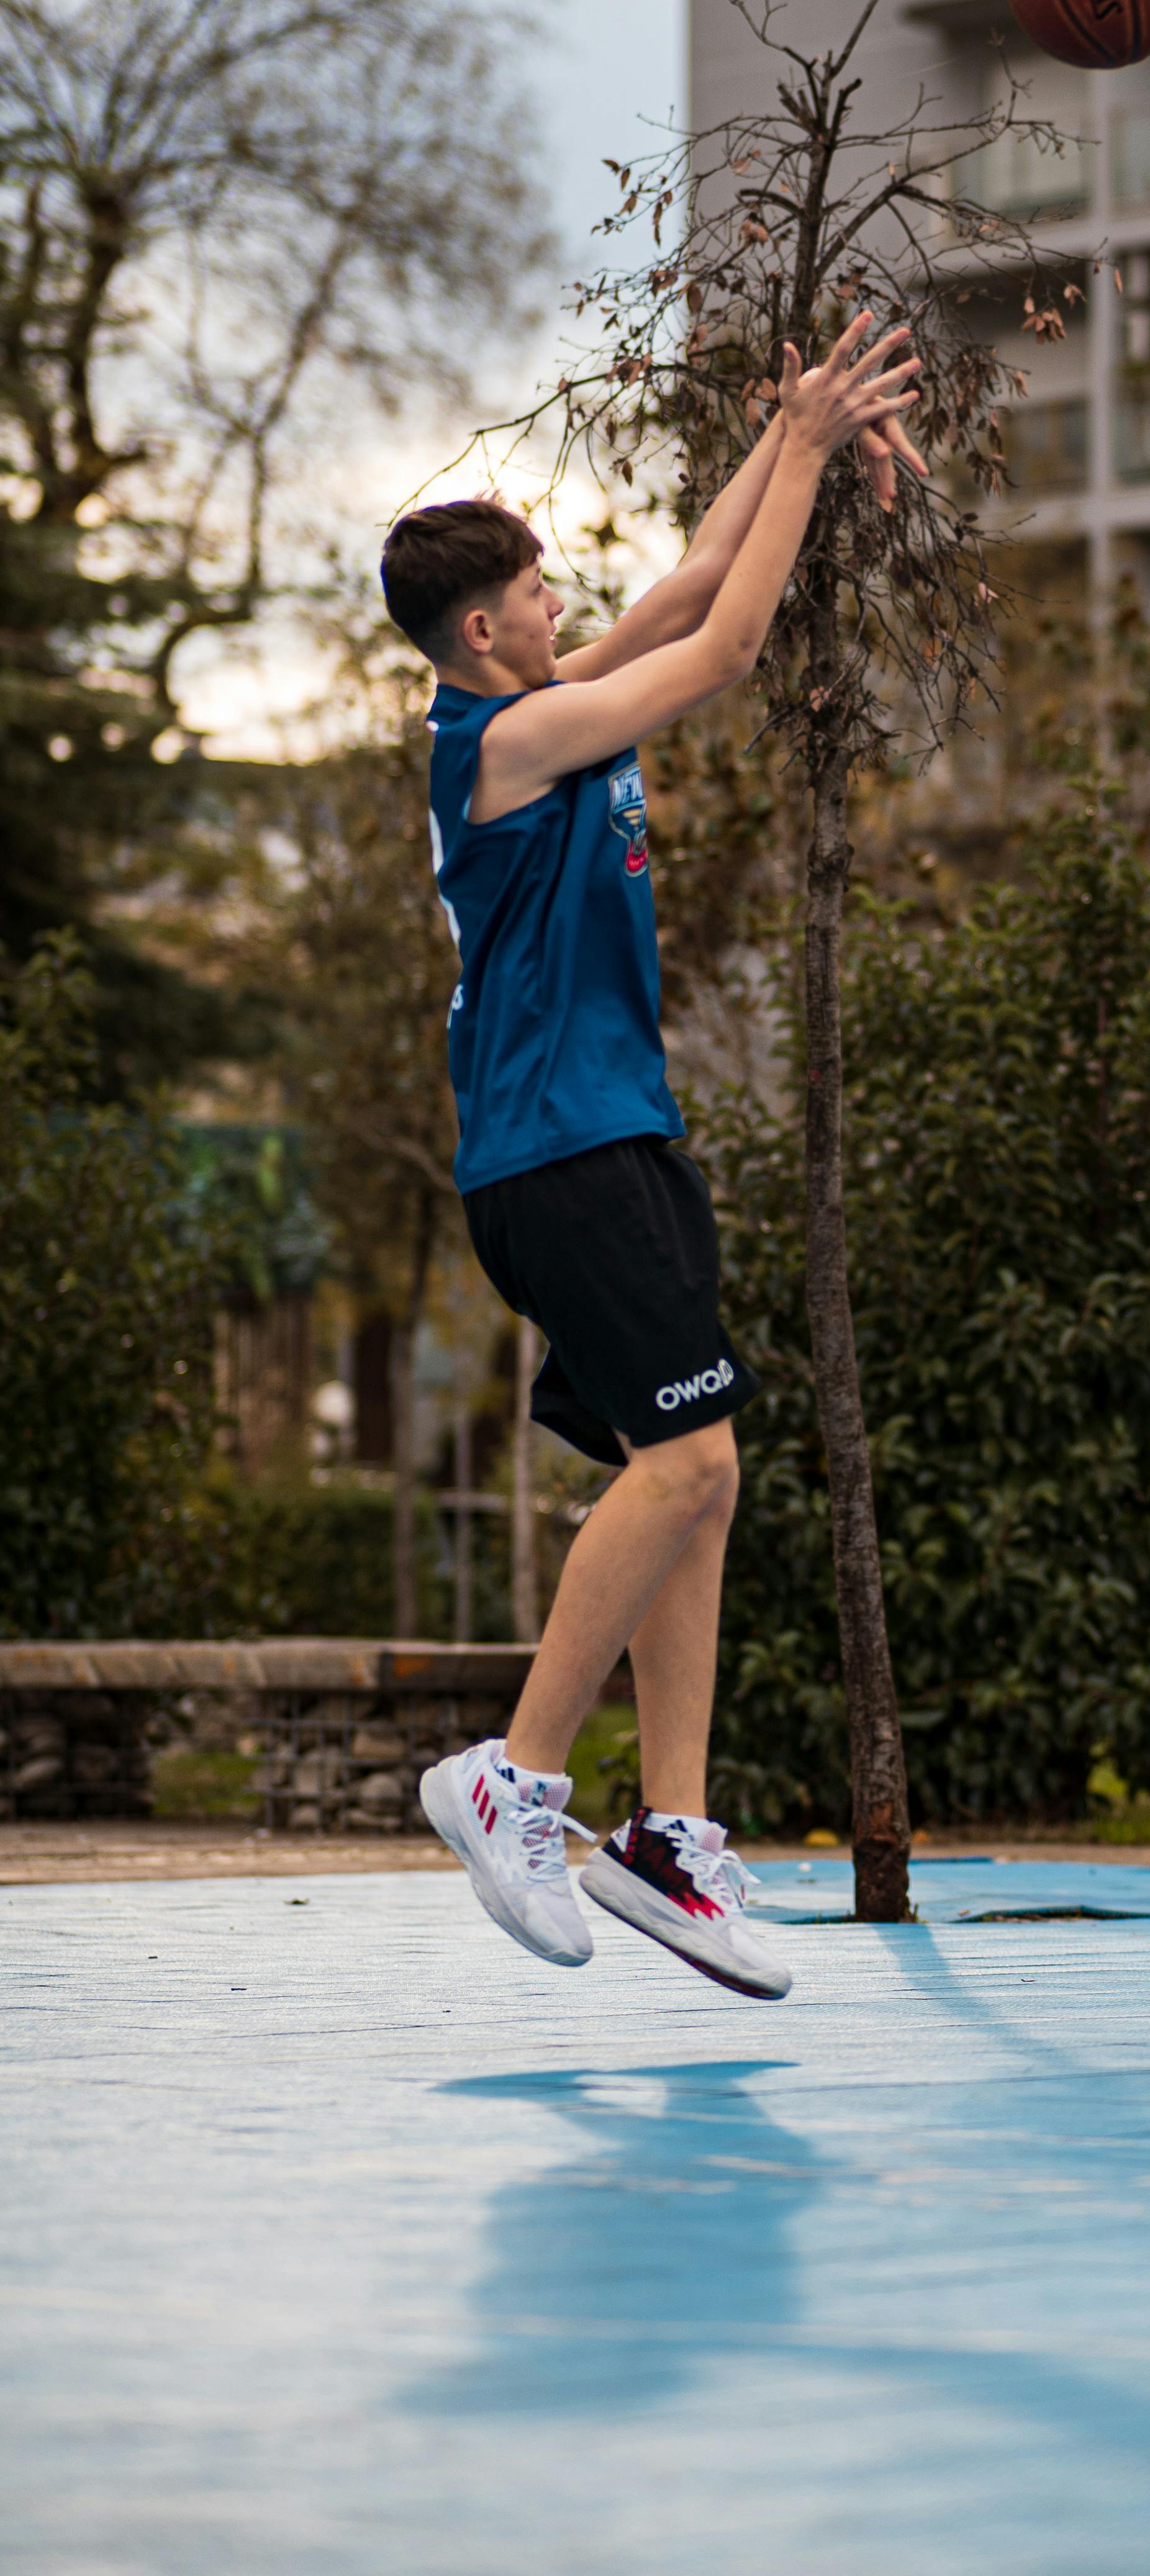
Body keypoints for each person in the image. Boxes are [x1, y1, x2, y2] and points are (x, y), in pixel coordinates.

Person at [378, 314, 920, 1999]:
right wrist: (818, 461)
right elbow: (734, 644)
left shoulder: (549, 707)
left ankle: (669, 1840)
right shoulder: (509, 742)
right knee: (679, 1467)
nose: (565, 606)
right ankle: (513, 1776)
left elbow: (691, 579)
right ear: (485, 628)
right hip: (560, 1155)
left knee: (707, 1467)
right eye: (541, 594)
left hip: (618, 1140)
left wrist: (791, 425)